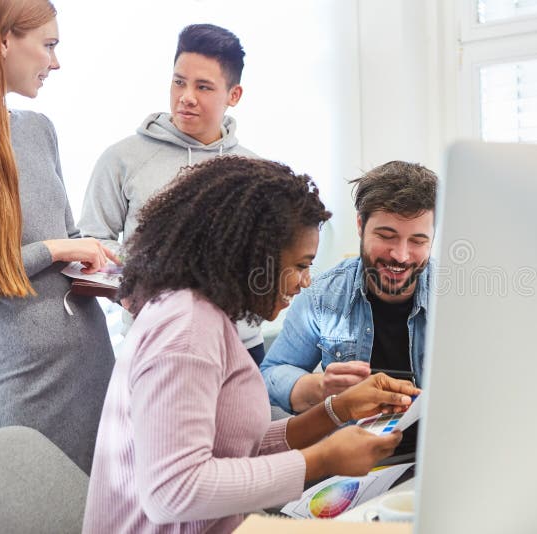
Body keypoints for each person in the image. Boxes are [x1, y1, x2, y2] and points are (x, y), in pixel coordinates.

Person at [83, 156, 419, 533]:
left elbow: (240, 447)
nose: (306, 281)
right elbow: (172, 492)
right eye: (301, 265)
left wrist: (337, 410)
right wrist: (321, 460)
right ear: (254, 257)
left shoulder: (204, 315)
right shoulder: (186, 329)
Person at [78, 23, 267, 364]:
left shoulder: (258, 172)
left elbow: (270, 259)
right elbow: (92, 244)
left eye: (203, 86)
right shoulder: (122, 159)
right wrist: (135, 284)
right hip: (154, 343)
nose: (186, 97)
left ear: (234, 95)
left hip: (240, 348)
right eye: (179, 82)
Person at [0, 0, 118, 473]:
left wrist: (112, 275)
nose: (56, 62)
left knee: (105, 502)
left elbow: (70, 234)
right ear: (4, 40)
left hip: (92, 359)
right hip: (27, 379)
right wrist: (59, 249)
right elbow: (49, 249)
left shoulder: (39, 129)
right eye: (48, 45)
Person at [261, 161, 437, 414]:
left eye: (418, 241)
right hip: (353, 438)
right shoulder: (321, 296)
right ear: (360, 225)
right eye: (386, 236)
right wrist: (320, 387)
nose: (401, 255)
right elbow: (270, 375)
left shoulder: (458, 299)